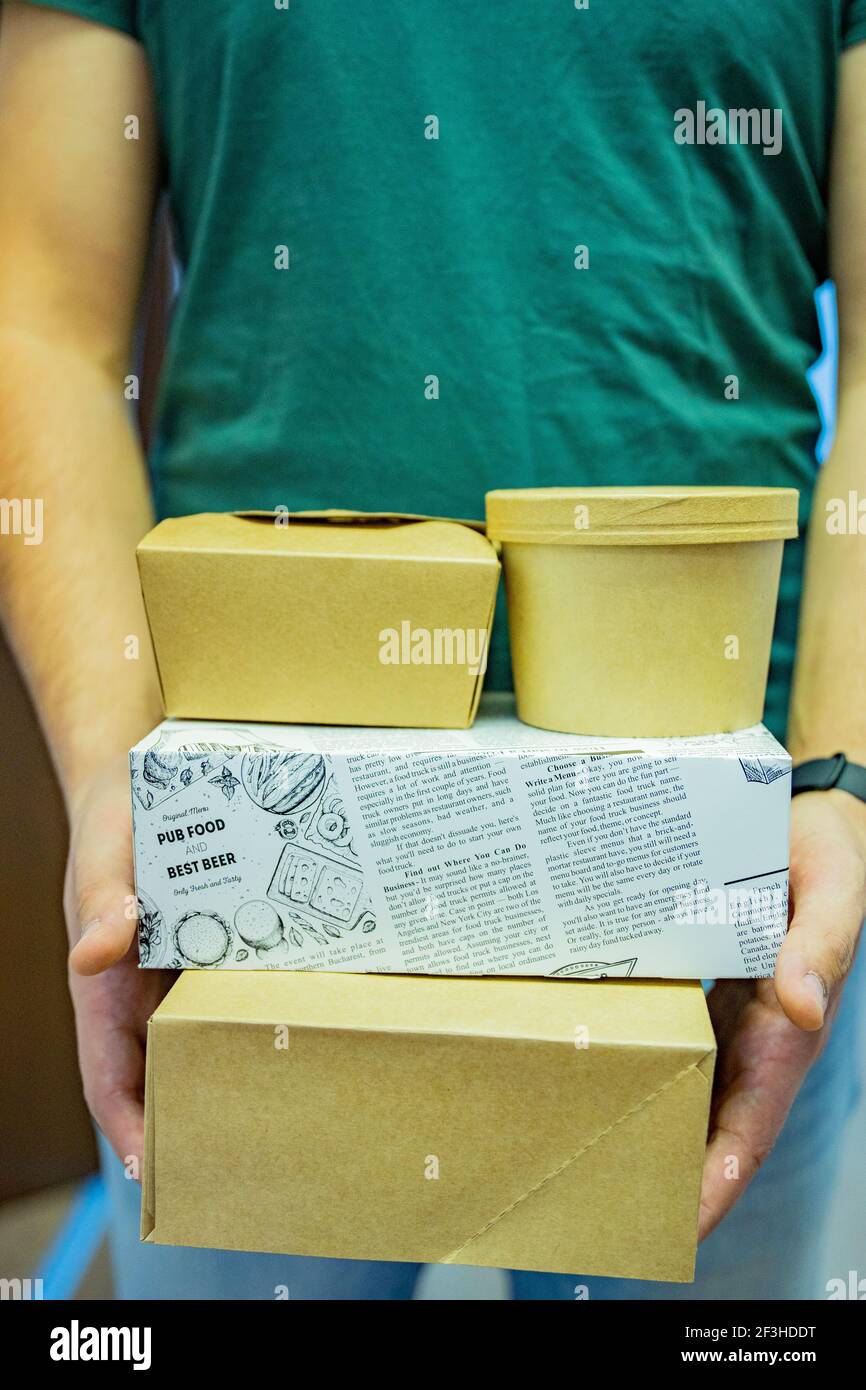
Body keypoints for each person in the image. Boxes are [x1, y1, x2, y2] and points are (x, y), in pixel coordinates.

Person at [1, 0, 865, 1301]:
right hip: (246, 853)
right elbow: (40, 325)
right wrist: (116, 785)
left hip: (727, 869)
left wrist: (837, 780)